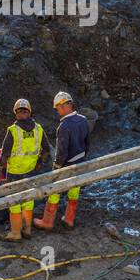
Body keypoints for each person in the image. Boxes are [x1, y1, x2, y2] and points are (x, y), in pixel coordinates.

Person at [34, 91, 90, 231]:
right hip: (80, 162)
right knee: (74, 190)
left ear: (65, 105)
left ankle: (47, 221)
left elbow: (61, 151)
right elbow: (87, 143)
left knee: (54, 191)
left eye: (57, 108)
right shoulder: (83, 120)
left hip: (67, 164)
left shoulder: (64, 126)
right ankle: (69, 220)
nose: (57, 111)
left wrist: (57, 168)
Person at [0, 98, 47, 241]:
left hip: (15, 173)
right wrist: (39, 162)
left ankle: (16, 233)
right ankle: (27, 229)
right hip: (31, 171)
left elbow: (5, 152)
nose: (21, 114)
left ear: (15, 113)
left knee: (14, 202)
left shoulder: (13, 130)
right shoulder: (38, 129)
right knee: (28, 200)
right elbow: (47, 150)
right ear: (29, 112)